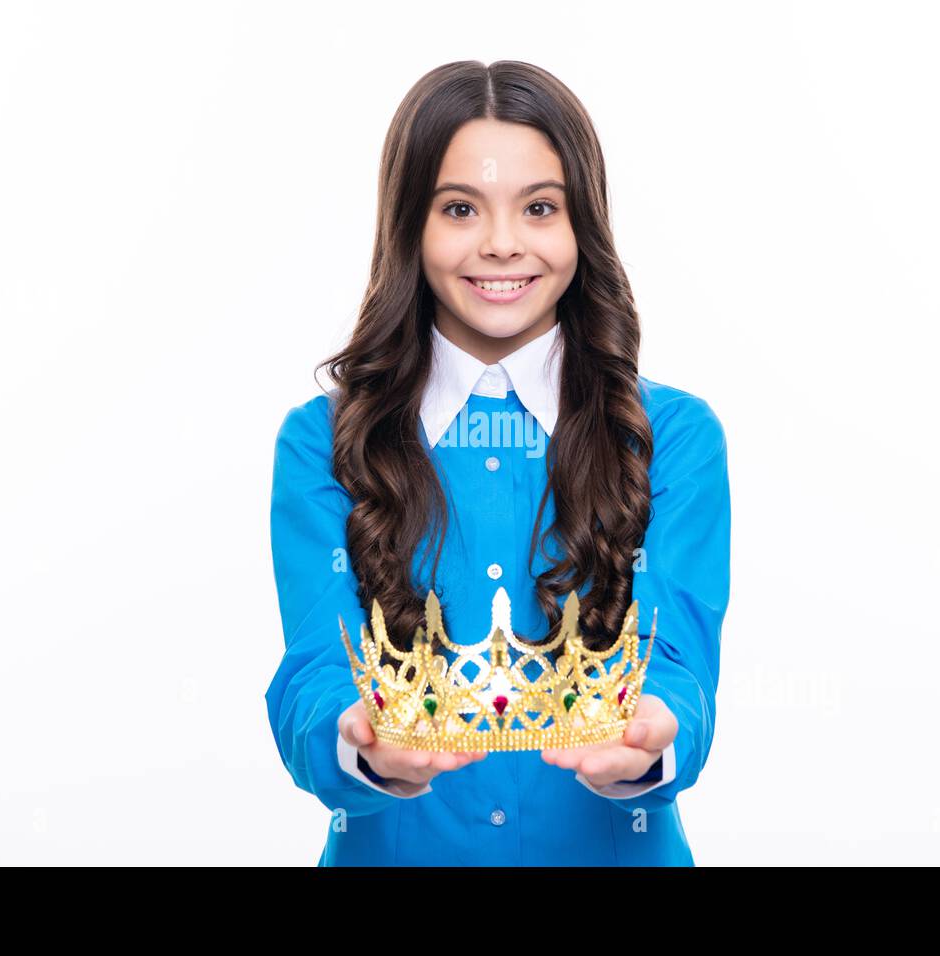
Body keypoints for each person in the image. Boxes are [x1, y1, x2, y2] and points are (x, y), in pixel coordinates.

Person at [264, 60, 731, 866]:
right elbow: (316, 664)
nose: (503, 244)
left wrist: (655, 733)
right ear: (411, 224)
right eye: (459, 209)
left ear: (582, 225)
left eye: (540, 208)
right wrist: (356, 739)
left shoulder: (673, 436)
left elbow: (678, 658)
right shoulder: (324, 442)